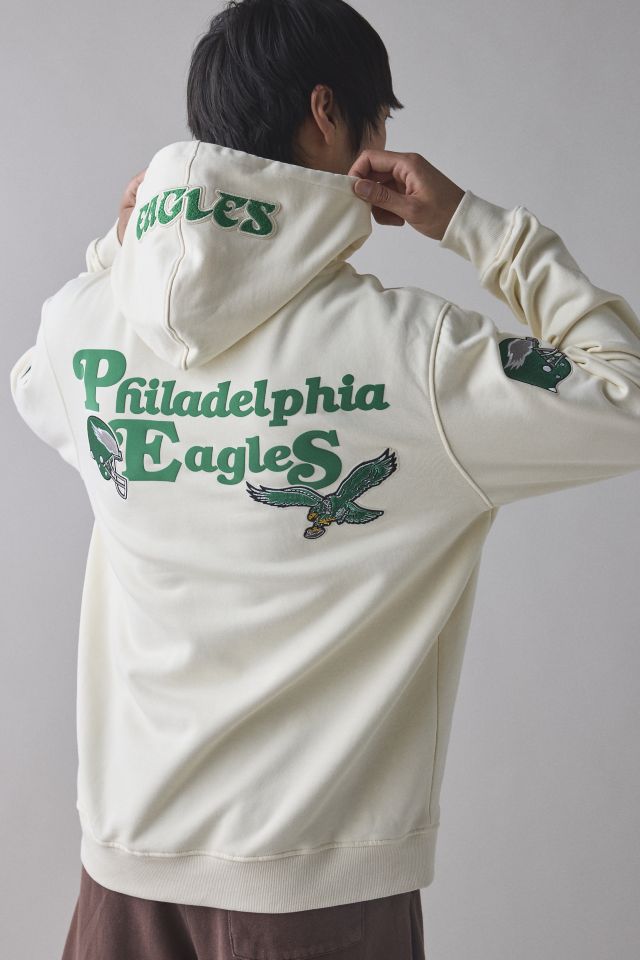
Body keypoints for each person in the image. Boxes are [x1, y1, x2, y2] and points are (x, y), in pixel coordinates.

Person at [9, 1, 640, 958]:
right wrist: (476, 228)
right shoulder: (413, 358)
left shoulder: (84, 329)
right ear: (326, 114)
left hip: (123, 884)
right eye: (377, 120)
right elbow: (627, 397)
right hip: (314, 895)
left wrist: (122, 248)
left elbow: (33, 380)